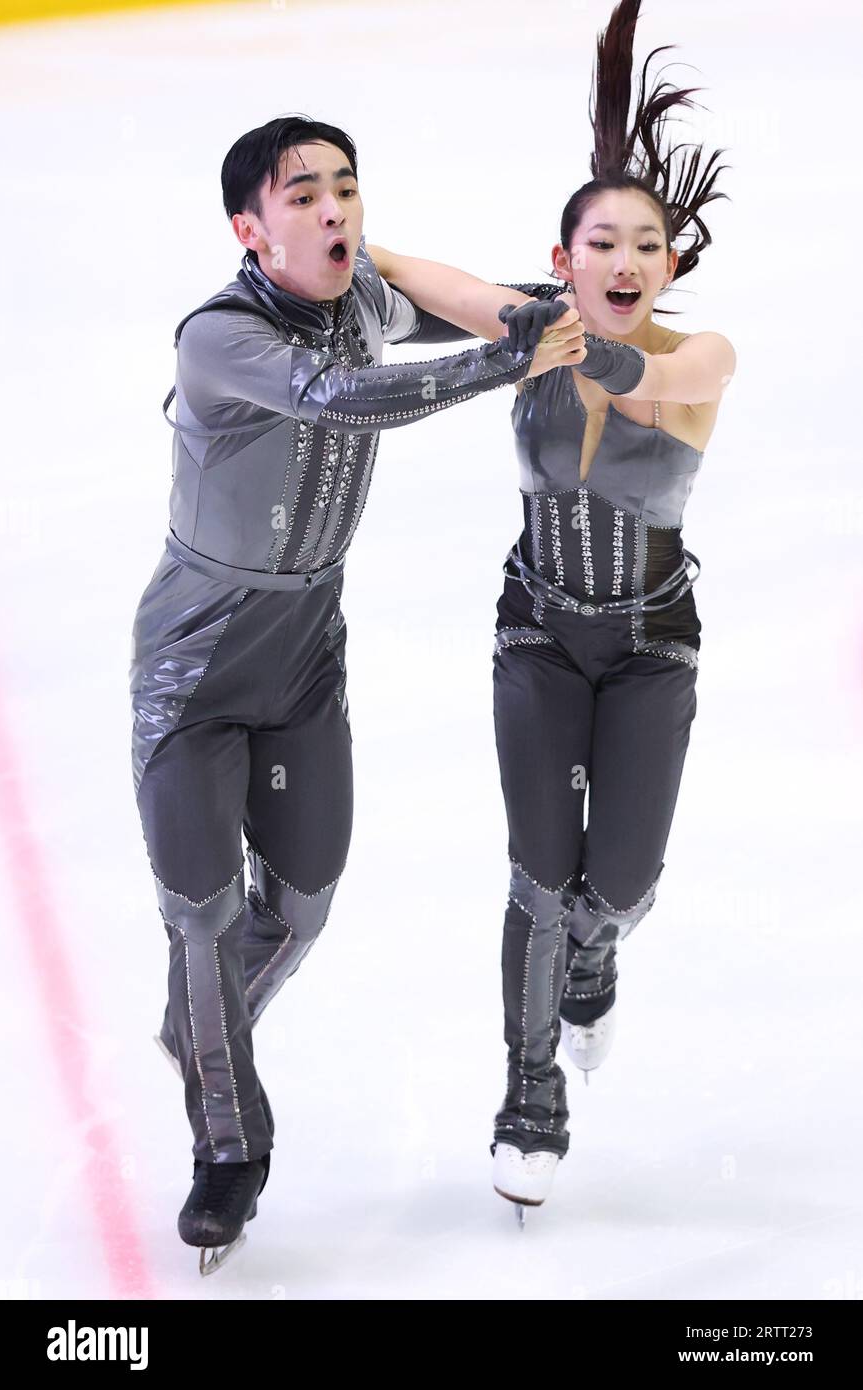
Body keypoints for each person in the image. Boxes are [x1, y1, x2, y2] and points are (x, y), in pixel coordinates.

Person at [129, 114, 585, 1272]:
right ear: (250, 225)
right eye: (304, 195)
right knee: (201, 912)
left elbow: (459, 303)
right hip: (194, 663)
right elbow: (342, 399)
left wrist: (576, 290)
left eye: (346, 187)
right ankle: (229, 1147)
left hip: (300, 657)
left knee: (302, 902)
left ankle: (201, 1027)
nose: (335, 210)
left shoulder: (362, 299)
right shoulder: (220, 338)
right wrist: (504, 359)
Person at [366, 0, 736, 1217]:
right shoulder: (539, 313)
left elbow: (645, 378)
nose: (624, 260)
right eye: (599, 243)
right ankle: (529, 1091)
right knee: (539, 871)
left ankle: (596, 956)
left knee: (614, 886)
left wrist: (557, 331)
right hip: (536, 627)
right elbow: (437, 283)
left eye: (645, 244)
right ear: (564, 253)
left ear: (667, 263)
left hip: (647, 645)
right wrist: (343, 246)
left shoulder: (700, 352)